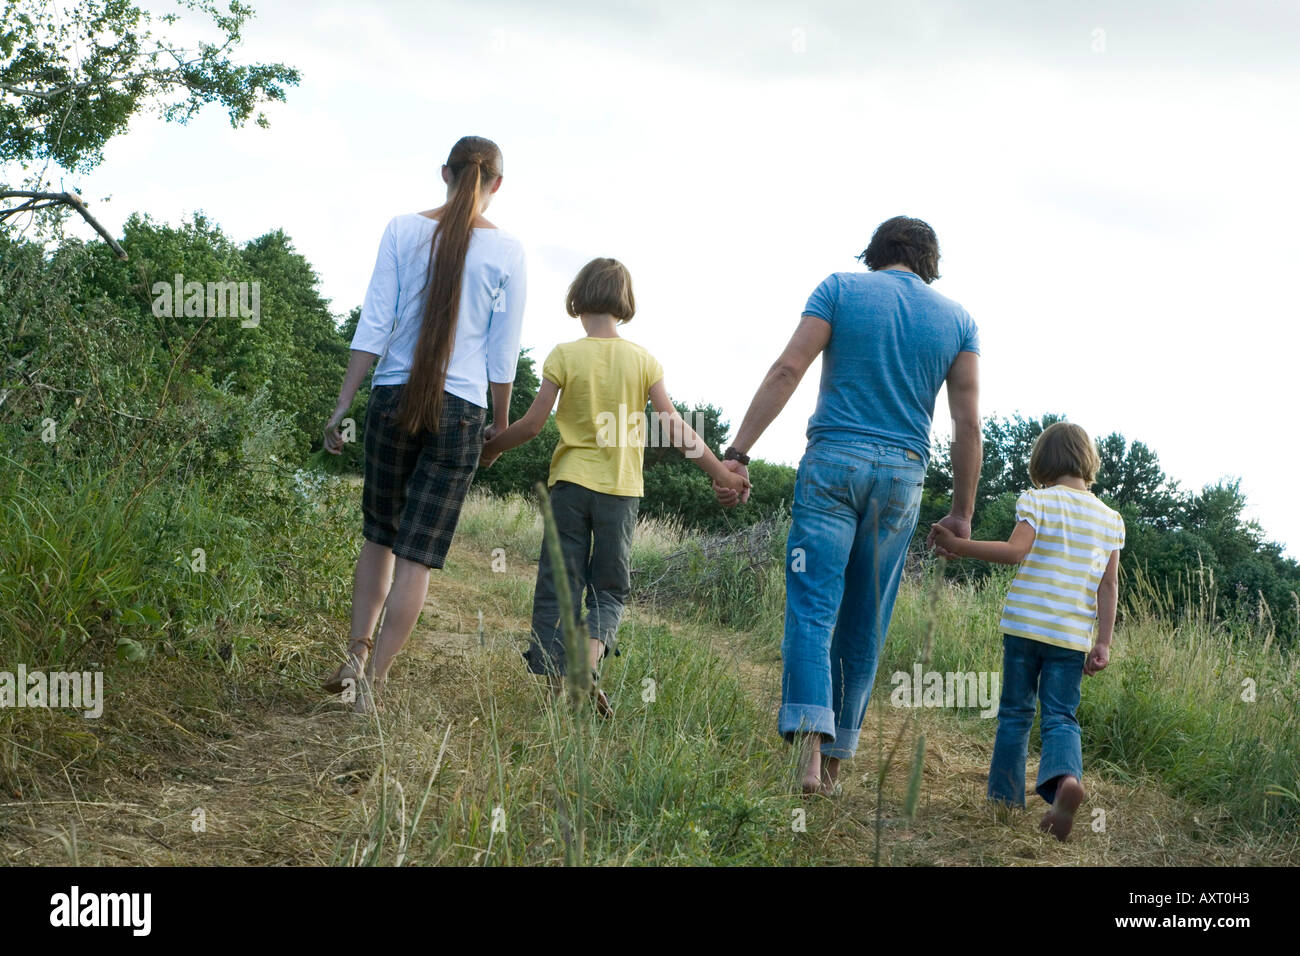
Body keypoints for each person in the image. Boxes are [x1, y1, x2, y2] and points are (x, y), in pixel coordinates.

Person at [714, 216, 982, 794]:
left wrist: (737, 451)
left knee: (813, 607)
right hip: (901, 478)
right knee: (866, 619)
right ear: (929, 260)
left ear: (875, 252)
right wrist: (962, 513)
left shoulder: (839, 289)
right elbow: (967, 425)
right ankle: (835, 763)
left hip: (833, 465)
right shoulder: (958, 321)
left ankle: (808, 754)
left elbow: (788, 368)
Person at [481, 257, 749, 714]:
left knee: (559, 584)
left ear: (577, 297)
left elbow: (530, 424)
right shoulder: (644, 360)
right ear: (625, 303)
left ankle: (557, 691)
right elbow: (673, 425)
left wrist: (491, 449)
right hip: (621, 491)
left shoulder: (564, 354)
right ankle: (587, 665)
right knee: (609, 589)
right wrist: (719, 472)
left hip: (568, 486)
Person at [321, 135, 526, 713]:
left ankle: (355, 655)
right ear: (497, 185)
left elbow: (374, 324)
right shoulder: (509, 251)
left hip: (392, 398)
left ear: (445, 173)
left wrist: (342, 406)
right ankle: (373, 686)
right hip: (460, 411)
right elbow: (502, 354)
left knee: (379, 538)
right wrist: (501, 427)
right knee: (416, 557)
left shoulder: (401, 230)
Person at [930, 422, 1123, 841]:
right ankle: (1065, 780)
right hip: (1071, 638)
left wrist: (961, 547)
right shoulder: (1111, 520)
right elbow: (1108, 586)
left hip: (1025, 628)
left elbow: (1016, 552)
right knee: (1060, 715)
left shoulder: (1037, 501)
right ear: (1087, 461)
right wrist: (1103, 641)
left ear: (1044, 461)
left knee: (1015, 714)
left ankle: (1003, 799)